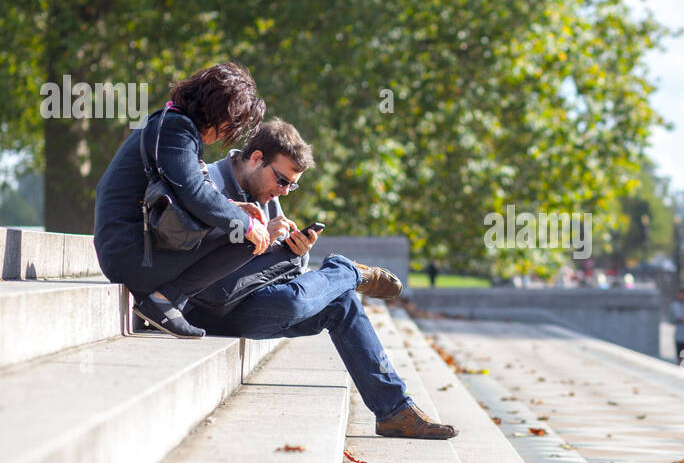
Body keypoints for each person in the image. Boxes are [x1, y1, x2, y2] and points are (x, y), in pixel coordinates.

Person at [180, 119, 457, 440]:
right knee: (294, 300)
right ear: (256, 158)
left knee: (341, 302)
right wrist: (256, 236)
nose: (283, 190)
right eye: (282, 179)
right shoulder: (209, 183)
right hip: (204, 305)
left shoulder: (267, 196)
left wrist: (296, 252)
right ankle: (348, 271)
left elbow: (280, 270)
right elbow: (206, 272)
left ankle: (394, 411)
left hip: (245, 300)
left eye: (291, 186)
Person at [93, 62, 277, 339]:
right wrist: (246, 225)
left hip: (129, 247)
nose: (227, 135)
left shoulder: (171, 123)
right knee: (248, 237)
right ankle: (164, 301)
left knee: (245, 226)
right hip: (130, 255)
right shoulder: (175, 129)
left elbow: (186, 191)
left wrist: (236, 209)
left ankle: (166, 300)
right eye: (231, 125)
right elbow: (194, 194)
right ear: (220, 111)